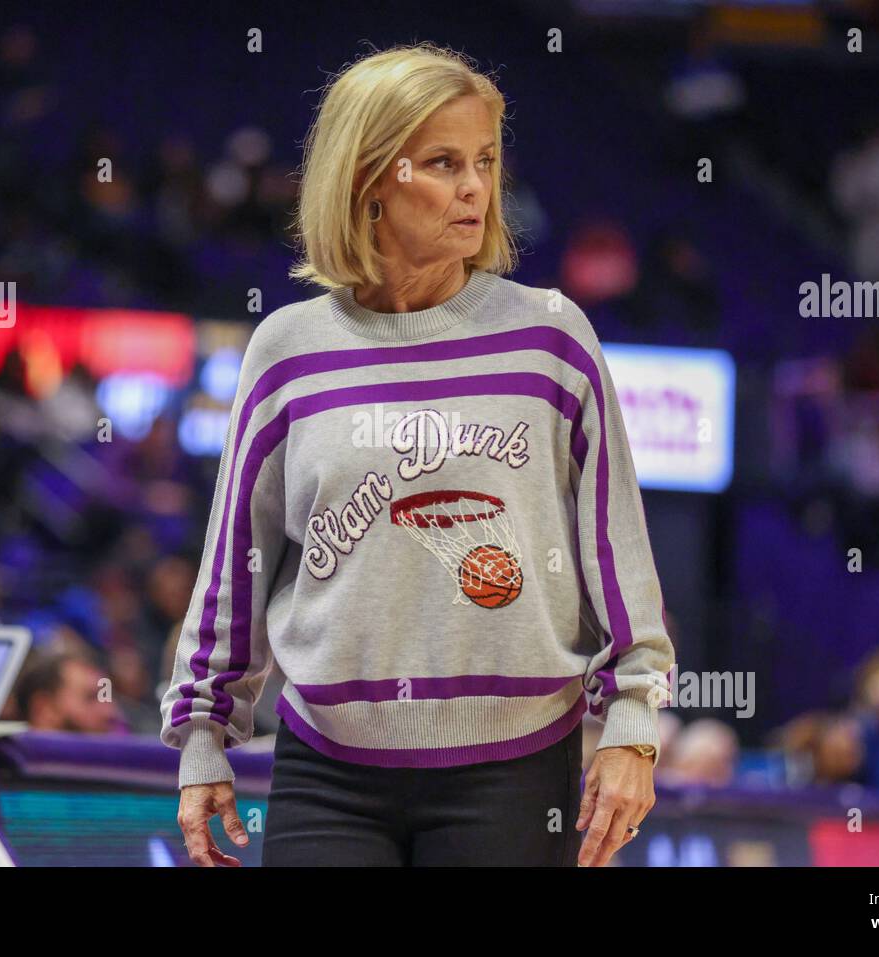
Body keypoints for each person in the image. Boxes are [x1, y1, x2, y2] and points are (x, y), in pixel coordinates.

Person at [161, 43, 675, 867]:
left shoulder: (549, 336)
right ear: (369, 179)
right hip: (326, 767)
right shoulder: (287, 348)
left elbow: (616, 550)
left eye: (485, 161)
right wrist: (202, 735)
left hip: (514, 765)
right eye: (442, 163)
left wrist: (635, 722)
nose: (476, 187)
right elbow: (236, 562)